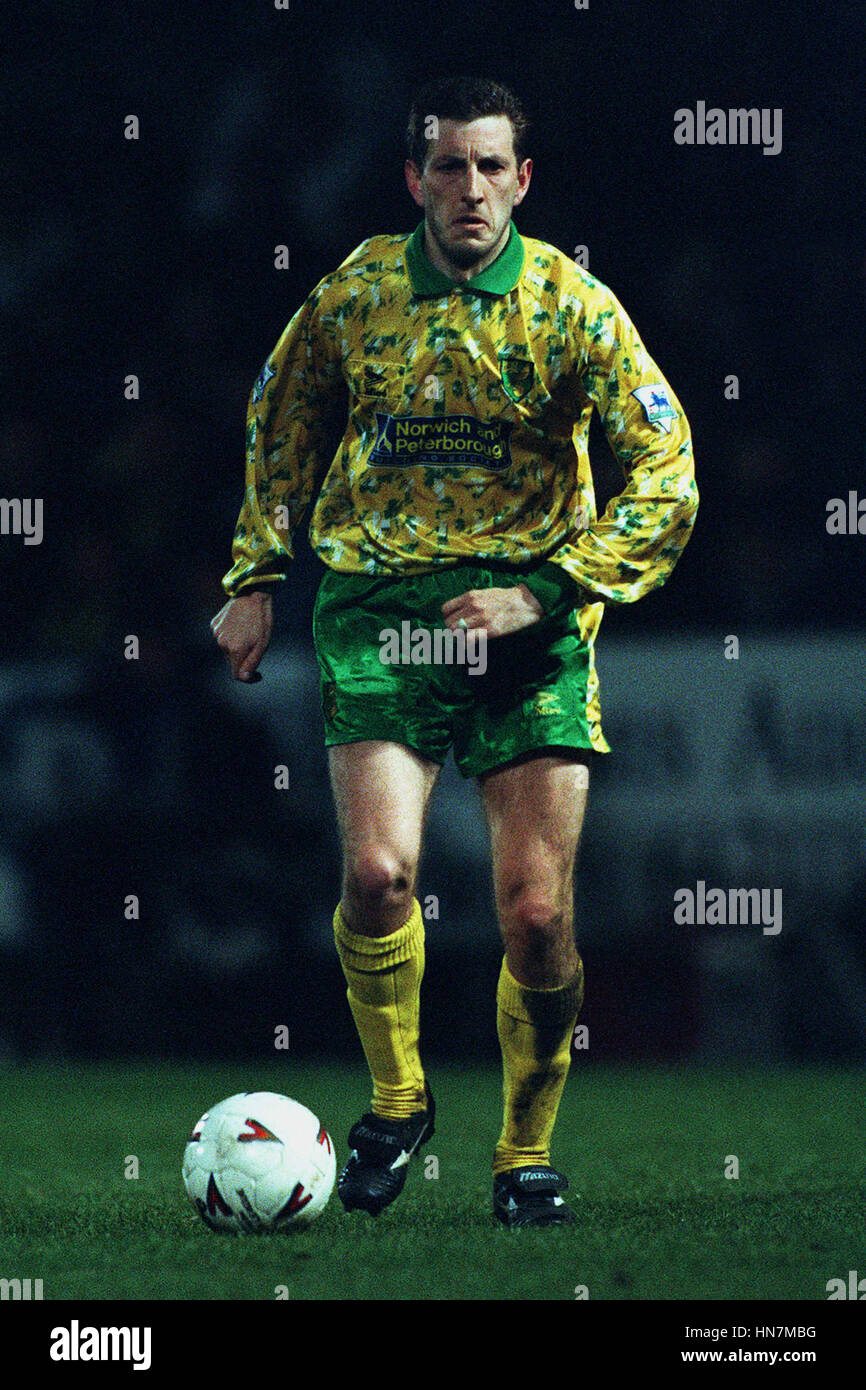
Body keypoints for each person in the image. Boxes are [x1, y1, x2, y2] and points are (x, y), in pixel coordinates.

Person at [211, 76, 697, 1227]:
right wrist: (251, 575)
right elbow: (281, 424)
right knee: (379, 877)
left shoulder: (571, 307)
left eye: (490, 167)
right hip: (382, 614)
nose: (468, 188)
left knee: (534, 914)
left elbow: (665, 477)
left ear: (521, 182)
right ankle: (396, 1098)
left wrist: (548, 591)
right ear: (412, 178)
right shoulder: (357, 293)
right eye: (446, 166)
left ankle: (522, 1152)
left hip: (525, 626)